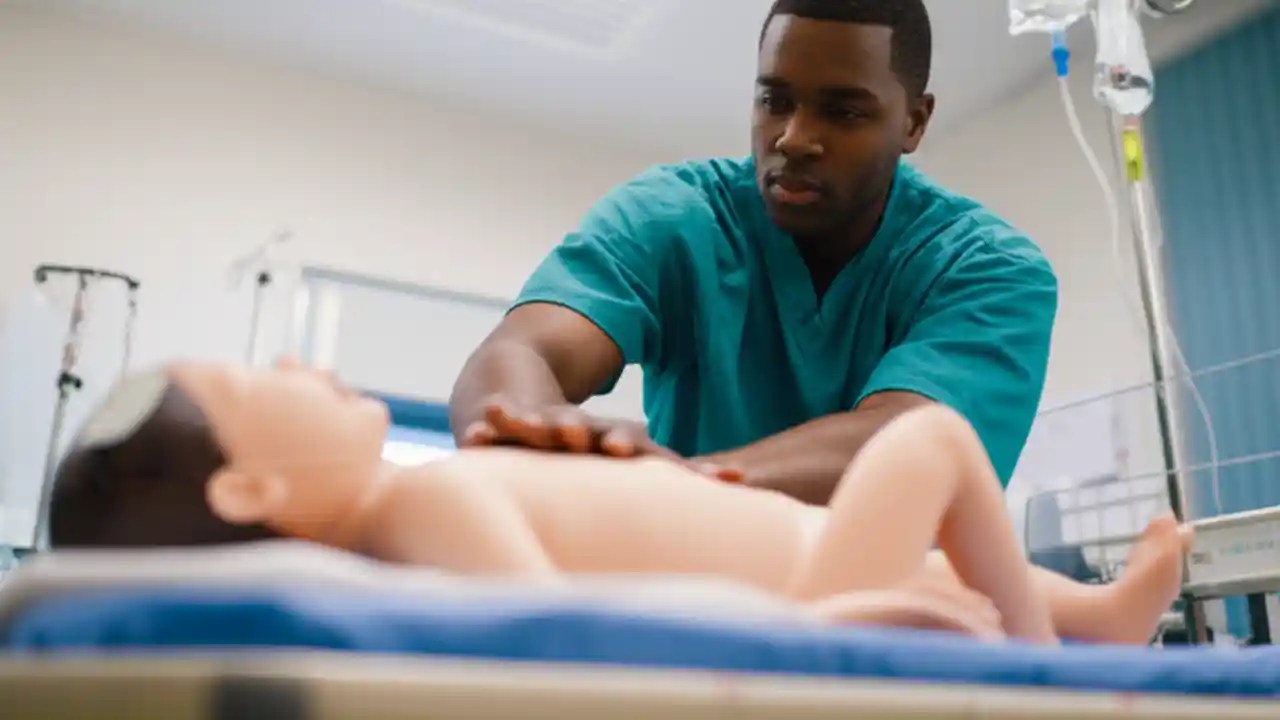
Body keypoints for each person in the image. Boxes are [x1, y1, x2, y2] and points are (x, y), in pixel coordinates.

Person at [49, 359, 1190, 646]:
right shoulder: (416, 511)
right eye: (262, 384)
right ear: (248, 488)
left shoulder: (424, 503)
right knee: (929, 438)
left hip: (800, 546)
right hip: (799, 589)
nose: (299, 362)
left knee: (951, 552)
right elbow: (564, 628)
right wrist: (802, 630)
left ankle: (1095, 618)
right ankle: (1050, 666)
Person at [449, 0, 1059, 504]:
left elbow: (908, 448)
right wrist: (528, 430)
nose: (793, 139)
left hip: (887, 618)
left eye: (843, 111)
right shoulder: (674, 218)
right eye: (775, 101)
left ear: (914, 122)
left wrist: (673, 486)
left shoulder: (988, 269)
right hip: (692, 586)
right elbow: (526, 349)